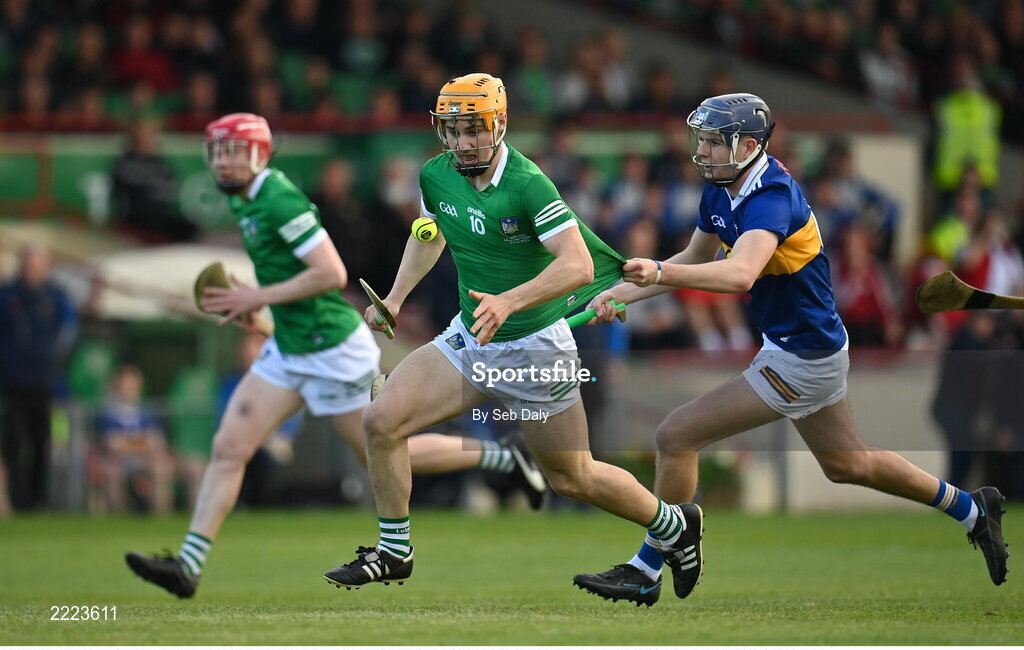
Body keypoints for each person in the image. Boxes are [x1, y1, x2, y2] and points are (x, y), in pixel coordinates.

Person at [573, 93, 1010, 607]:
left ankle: (649, 567)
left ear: (749, 145)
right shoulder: (719, 191)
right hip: (803, 349)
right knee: (850, 464)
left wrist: (661, 272)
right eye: (703, 140)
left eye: (714, 142)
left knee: (676, 435)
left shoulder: (772, 196)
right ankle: (972, 508)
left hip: (802, 360)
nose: (704, 150)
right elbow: (694, 256)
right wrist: (622, 292)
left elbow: (738, 275)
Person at [125, 112, 546, 599]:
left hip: (335, 349)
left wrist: (258, 298)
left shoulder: (279, 200)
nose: (224, 163)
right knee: (229, 447)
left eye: (234, 152)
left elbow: (331, 273)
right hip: (288, 347)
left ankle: (503, 457)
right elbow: (287, 276)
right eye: (218, 152)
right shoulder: (242, 201)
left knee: (385, 454)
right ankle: (187, 566)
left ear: (260, 155)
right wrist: (261, 305)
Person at [321, 73, 701, 593]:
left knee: (573, 478)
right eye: (451, 130)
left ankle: (676, 526)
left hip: (537, 346)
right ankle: (394, 551)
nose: (461, 141)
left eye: (472, 129)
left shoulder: (527, 183)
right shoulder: (435, 174)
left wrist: (509, 301)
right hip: (469, 338)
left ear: (499, 125)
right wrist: (395, 298)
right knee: (381, 421)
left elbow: (579, 267)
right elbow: (429, 233)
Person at [0, 244, 78, 512]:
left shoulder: (55, 297)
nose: (33, 270)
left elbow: (67, 333)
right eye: (29, 264)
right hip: (11, 383)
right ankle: (19, 500)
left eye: (38, 264)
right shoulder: (6, 295)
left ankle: (38, 500)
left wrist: (52, 366)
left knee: (42, 442)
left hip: (44, 384)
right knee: (14, 443)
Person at [95, 365, 174, 514]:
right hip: (118, 460)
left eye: (132, 384)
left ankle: (162, 516)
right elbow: (113, 445)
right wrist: (141, 442)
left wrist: (130, 443)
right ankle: (118, 515)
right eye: (125, 384)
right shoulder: (108, 411)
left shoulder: (146, 410)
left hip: (143, 459)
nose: (129, 388)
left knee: (162, 466)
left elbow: (157, 441)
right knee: (111, 471)